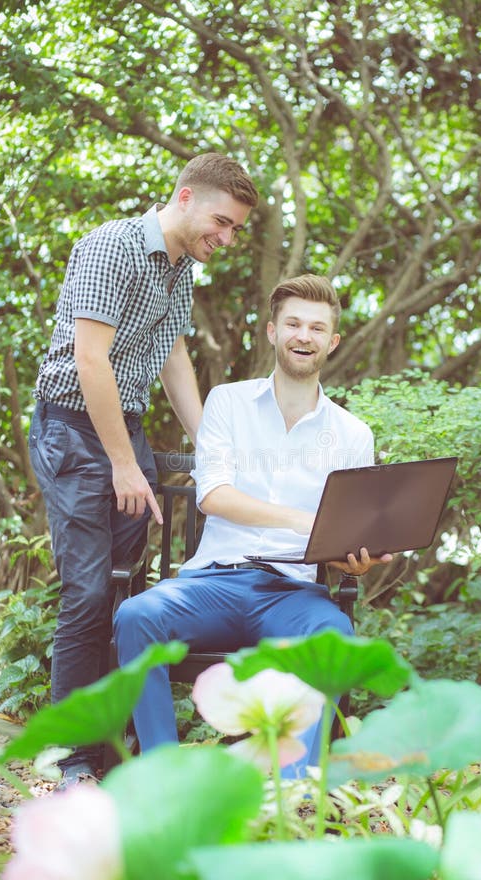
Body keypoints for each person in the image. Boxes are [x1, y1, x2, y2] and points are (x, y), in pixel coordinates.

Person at [29, 153, 259, 786]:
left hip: (120, 426)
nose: (228, 237)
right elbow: (89, 362)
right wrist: (125, 465)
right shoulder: (113, 249)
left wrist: (212, 442)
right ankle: (70, 757)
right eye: (222, 221)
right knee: (88, 590)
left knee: (124, 590)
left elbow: (172, 354)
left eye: (236, 228)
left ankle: (115, 744)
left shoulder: (180, 267)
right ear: (184, 198)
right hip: (72, 430)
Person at [114, 274, 392, 778]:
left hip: (292, 593)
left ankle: (295, 794)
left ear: (331, 341)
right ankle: (160, 778)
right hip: (214, 583)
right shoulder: (227, 402)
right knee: (135, 616)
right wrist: (304, 521)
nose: (302, 336)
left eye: (315, 327)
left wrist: (359, 555)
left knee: (336, 635)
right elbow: (213, 495)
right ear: (271, 331)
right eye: (292, 324)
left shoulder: (353, 435)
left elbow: (351, 533)